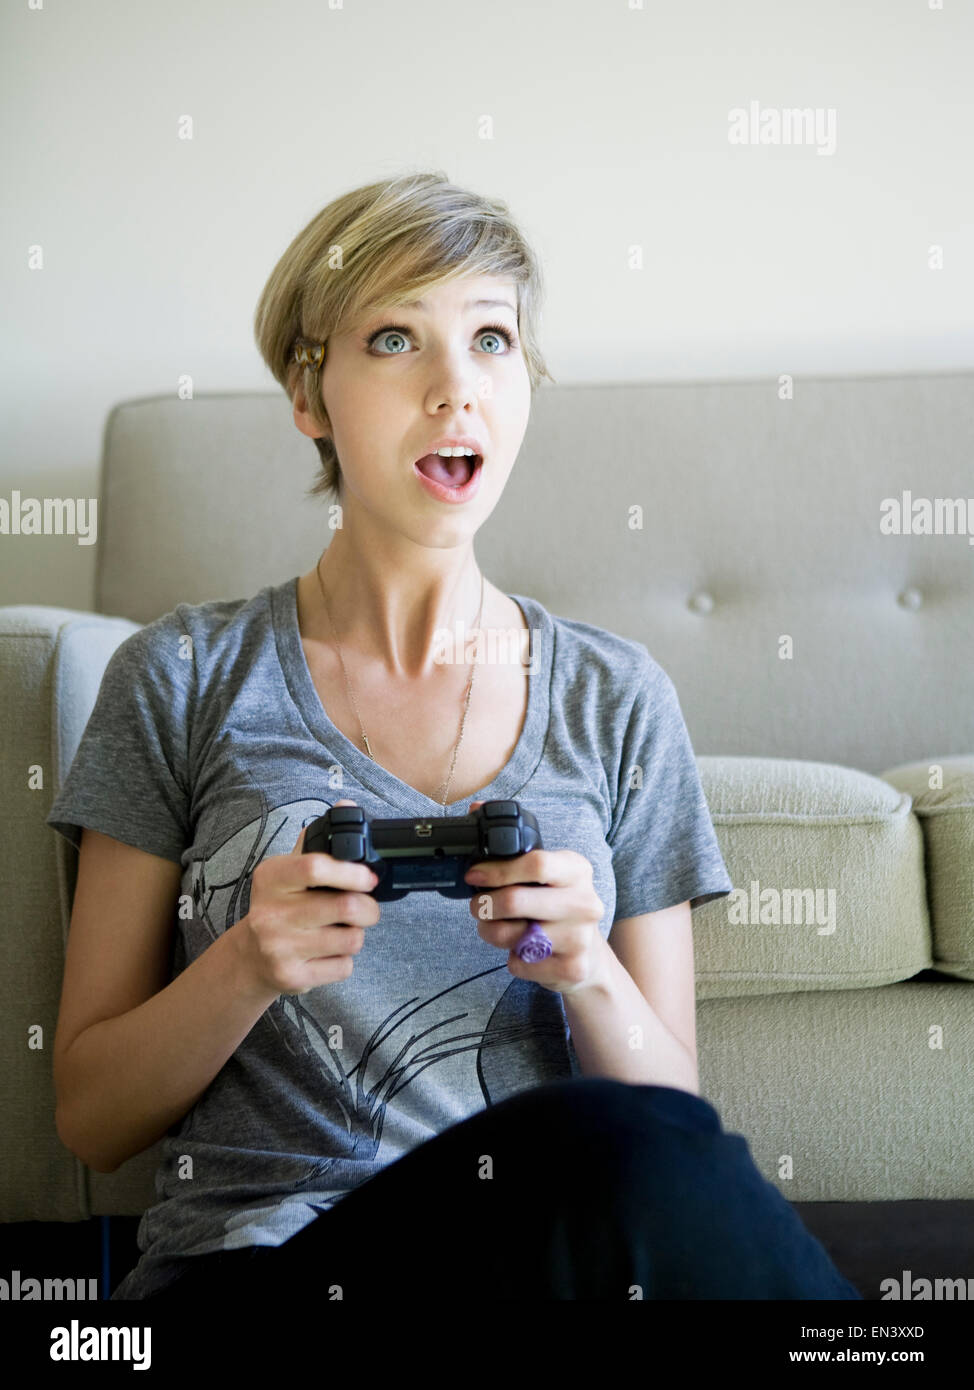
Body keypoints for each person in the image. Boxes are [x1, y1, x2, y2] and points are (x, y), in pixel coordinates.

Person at [47, 170, 861, 1302]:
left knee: (641, 1152)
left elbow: (679, 1130)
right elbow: (89, 1115)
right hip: (255, 1271)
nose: (453, 388)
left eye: (489, 340)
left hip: (530, 1267)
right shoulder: (180, 676)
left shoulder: (618, 698)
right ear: (307, 392)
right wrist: (244, 964)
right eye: (393, 339)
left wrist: (587, 976)